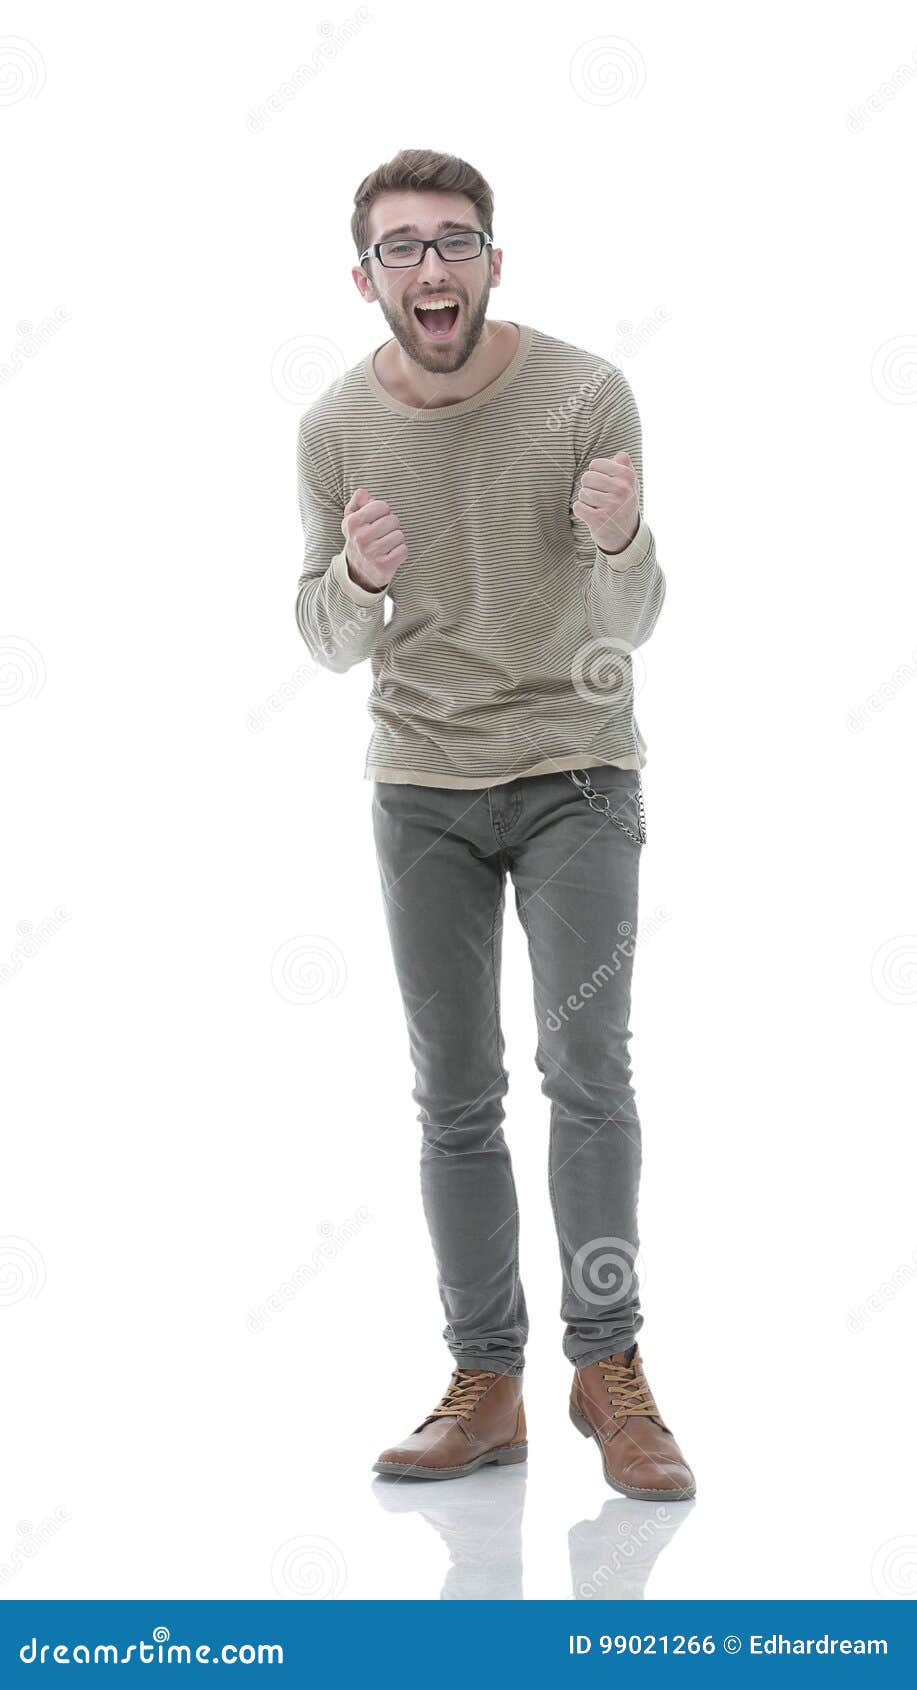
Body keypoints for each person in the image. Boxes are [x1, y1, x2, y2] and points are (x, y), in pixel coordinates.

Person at [294, 148, 695, 1500]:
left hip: (579, 770)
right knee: (453, 1092)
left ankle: (610, 1367)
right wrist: (357, 573)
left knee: (587, 1065)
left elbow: (630, 621)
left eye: (453, 241)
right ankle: (488, 1382)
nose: (431, 267)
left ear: (492, 263)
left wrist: (623, 537)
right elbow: (320, 634)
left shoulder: (586, 392)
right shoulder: (333, 428)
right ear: (366, 279)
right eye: (401, 247)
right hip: (423, 790)